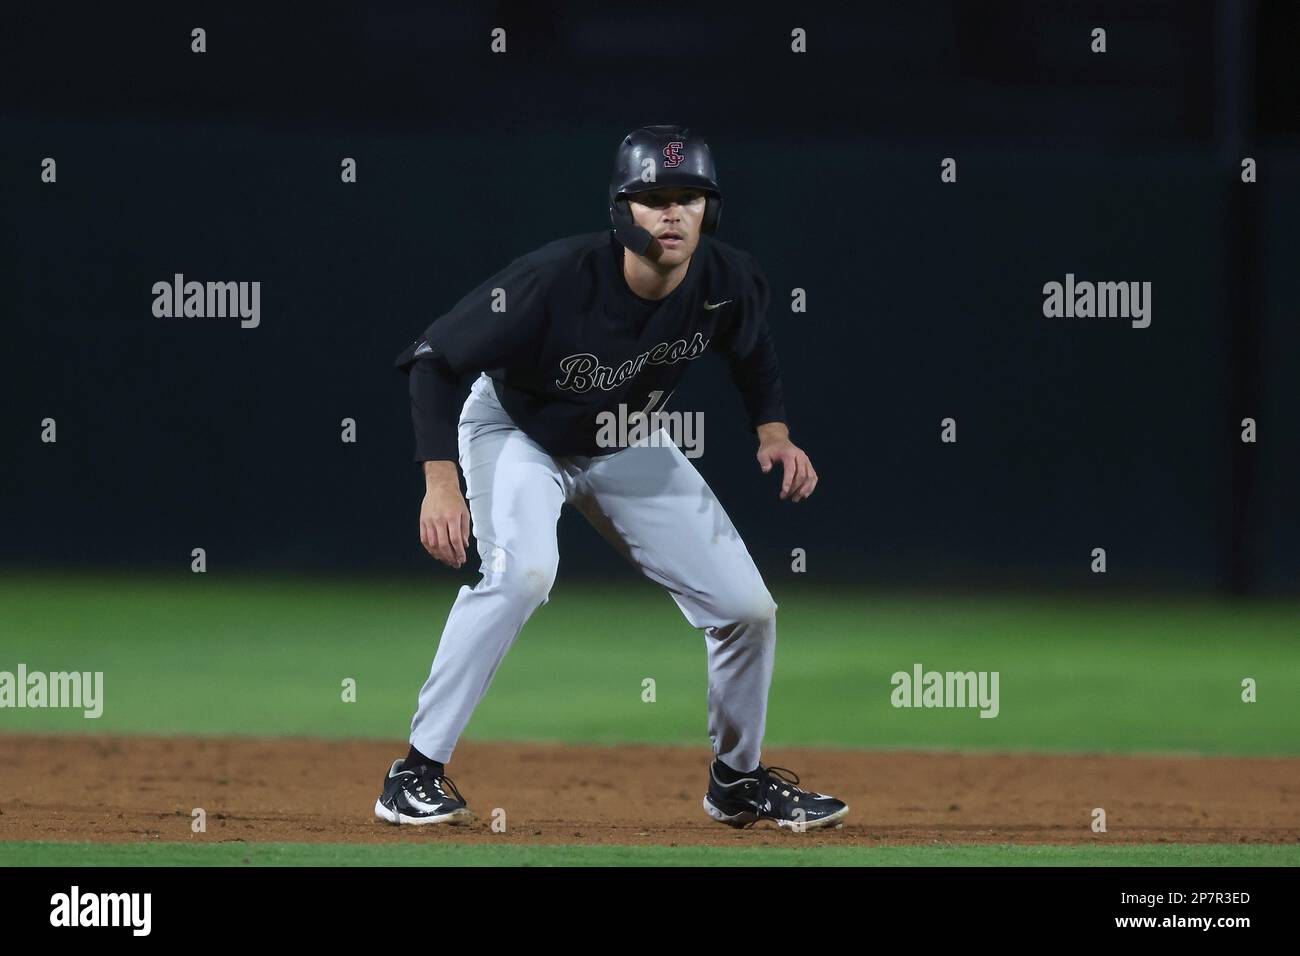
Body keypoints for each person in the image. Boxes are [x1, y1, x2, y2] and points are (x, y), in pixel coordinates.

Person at [375, 125, 848, 832]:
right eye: (653, 197)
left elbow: (753, 353)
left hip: (626, 441)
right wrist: (439, 481)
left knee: (748, 609)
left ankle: (738, 782)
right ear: (622, 210)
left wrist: (773, 431)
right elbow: (433, 358)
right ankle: (413, 772)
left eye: (689, 197)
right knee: (523, 573)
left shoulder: (727, 279)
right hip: (517, 432)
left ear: (708, 212)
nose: (672, 212)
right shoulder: (554, 278)